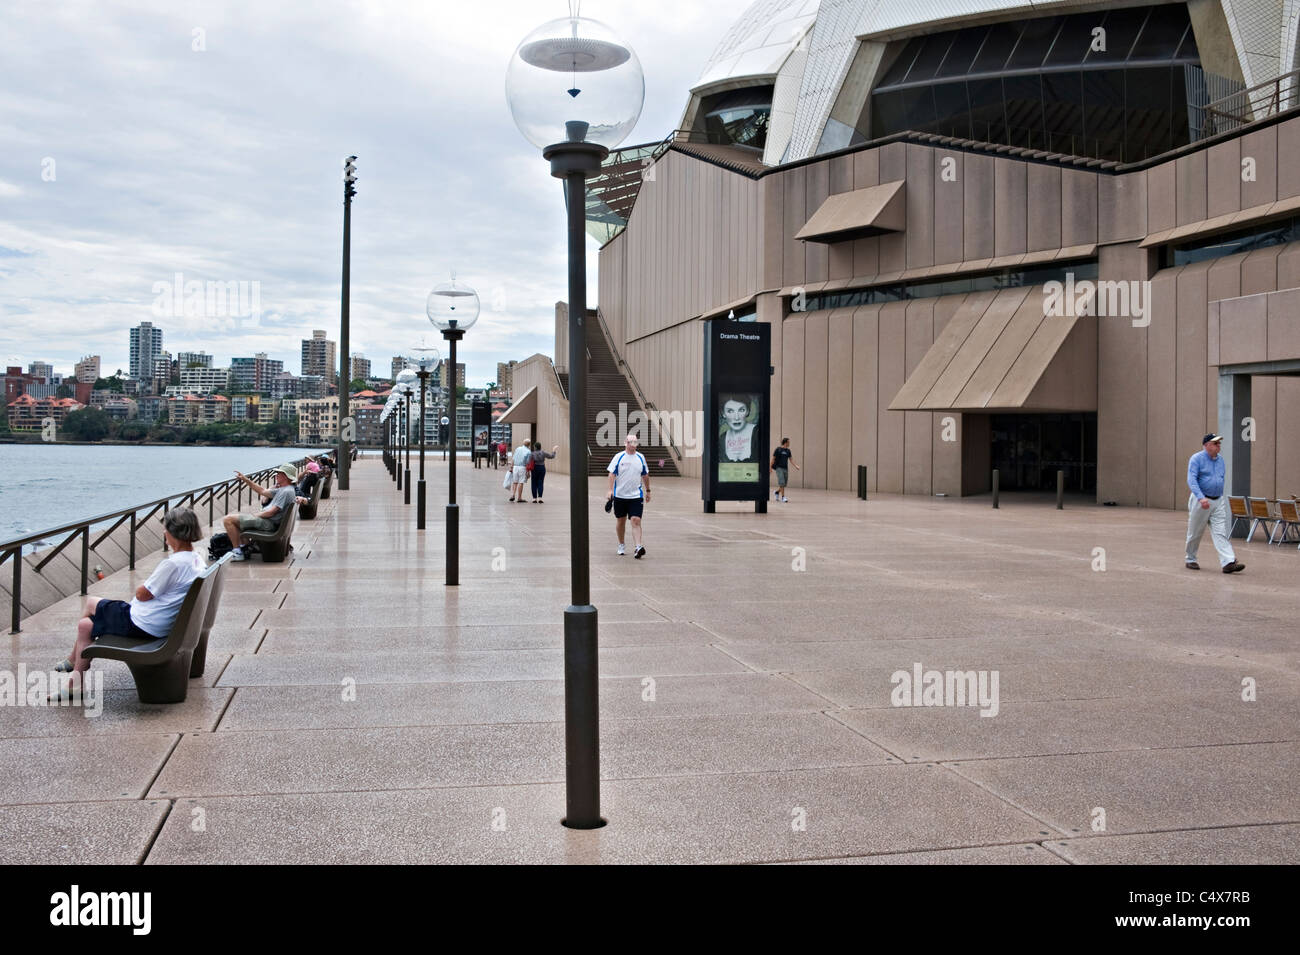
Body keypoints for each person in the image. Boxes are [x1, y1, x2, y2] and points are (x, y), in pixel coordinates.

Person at [53, 508, 205, 690]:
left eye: (166, 529)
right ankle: (73, 686)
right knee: (85, 626)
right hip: (157, 623)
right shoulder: (196, 559)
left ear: (174, 532)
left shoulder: (173, 564)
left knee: (91, 602)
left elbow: (142, 594)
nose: (164, 532)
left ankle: (72, 659)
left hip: (142, 624)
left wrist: (145, 584)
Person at [1185, 433, 1244, 574]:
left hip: (1218, 500)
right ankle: (1190, 559)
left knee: (1220, 532)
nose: (1219, 446)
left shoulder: (1220, 460)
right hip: (1201, 500)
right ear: (1206, 445)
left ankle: (1228, 562)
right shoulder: (1196, 459)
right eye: (1215, 443)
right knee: (1195, 532)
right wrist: (1201, 497)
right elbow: (1191, 480)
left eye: (1219, 443)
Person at [222, 463, 298, 561]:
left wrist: (254, 515)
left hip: (269, 523)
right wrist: (245, 479)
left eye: (279, 473)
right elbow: (262, 491)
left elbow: (271, 512)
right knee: (236, 521)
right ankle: (246, 548)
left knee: (228, 520)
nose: (276, 475)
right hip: (269, 521)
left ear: (286, 476)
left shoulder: (286, 492)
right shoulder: (284, 489)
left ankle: (238, 552)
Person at [606, 433, 650, 558]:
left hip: (636, 496)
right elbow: (612, 474)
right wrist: (610, 490)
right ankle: (621, 544)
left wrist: (648, 491)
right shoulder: (619, 457)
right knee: (621, 521)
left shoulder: (641, 457)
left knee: (636, 520)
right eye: (631, 442)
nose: (633, 445)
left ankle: (638, 547)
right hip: (620, 496)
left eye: (635, 442)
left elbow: (645, 475)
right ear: (626, 443)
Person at [719, 397, 760, 463]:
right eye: (730, 411)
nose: (736, 417)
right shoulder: (722, 439)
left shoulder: (758, 433)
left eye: (741, 410)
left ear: (748, 411)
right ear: (723, 413)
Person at [771, 437, 800, 503]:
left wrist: (796, 466)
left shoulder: (788, 451)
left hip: (785, 468)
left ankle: (777, 492)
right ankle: (783, 497)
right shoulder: (778, 449)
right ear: (785, 442)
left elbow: (791, 459)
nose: (789, 443)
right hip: (779, 468)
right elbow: (773, 459)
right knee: (782, 482)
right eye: (789, 442)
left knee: (784, 484)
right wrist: (770, 468)